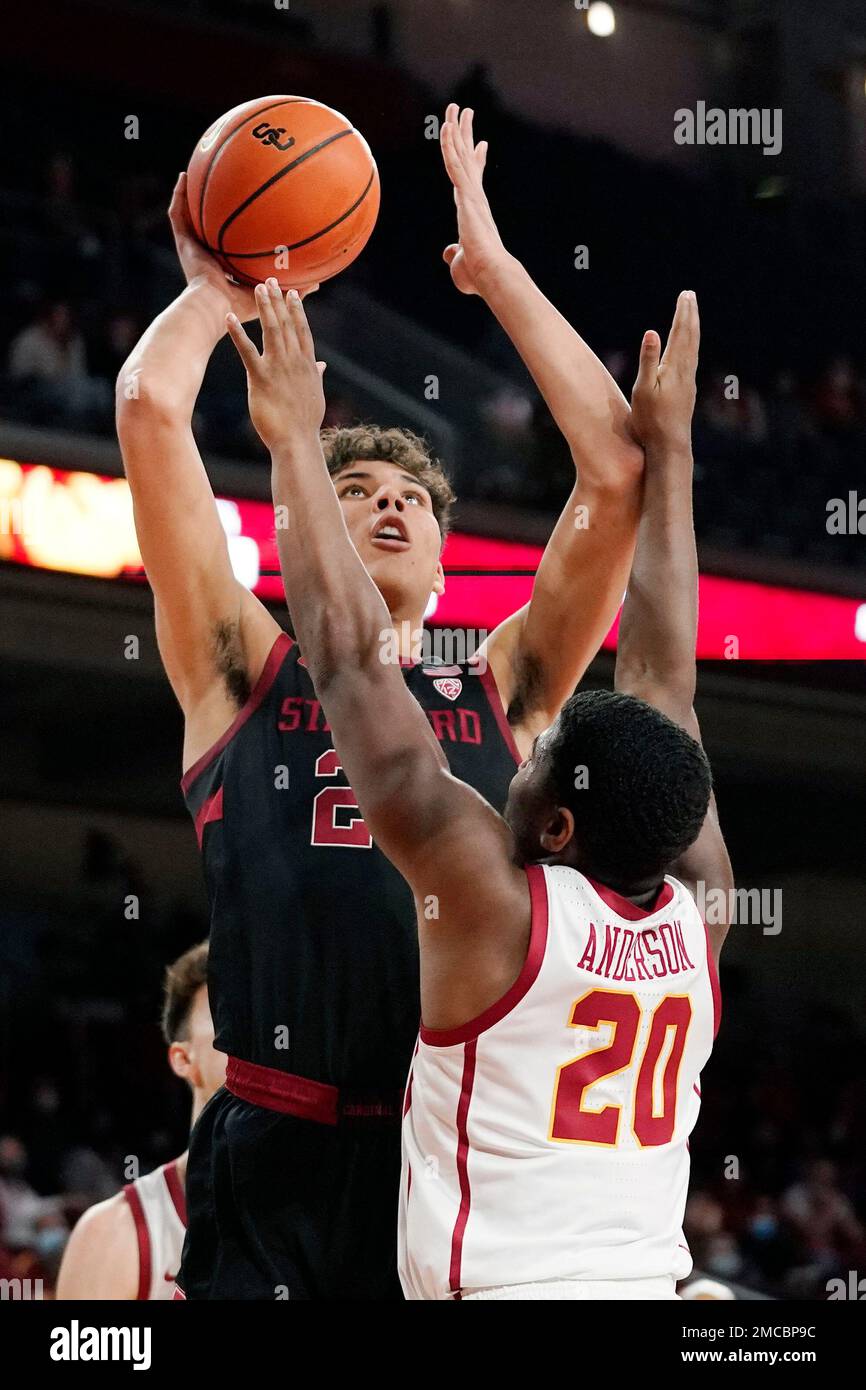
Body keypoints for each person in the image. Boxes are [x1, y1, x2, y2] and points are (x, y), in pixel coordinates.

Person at [116, 105, 643, 1300]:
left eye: (414, 495)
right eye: (353, 487)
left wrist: (499, 275)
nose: (390, 502)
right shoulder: (244, 664)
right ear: (304, 519)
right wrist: (219, 281)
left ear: (450, 560)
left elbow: (614, 473)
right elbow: (150, 411)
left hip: (450, 1152)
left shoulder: (500, 678)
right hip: (276, 1138)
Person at [225, 277, 733, 1299]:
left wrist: (291, 445)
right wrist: (666, 451)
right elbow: (662, 687)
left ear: (551, 822)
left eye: (533, 757)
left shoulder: (491, 899)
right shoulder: (698, 913)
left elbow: (352, 668)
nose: (507, 756)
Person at [55, 942, 225, 1300]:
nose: (253, 1037)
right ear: (183, 1058)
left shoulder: (333, 1222)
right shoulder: (118, 1232)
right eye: (229, 1016)